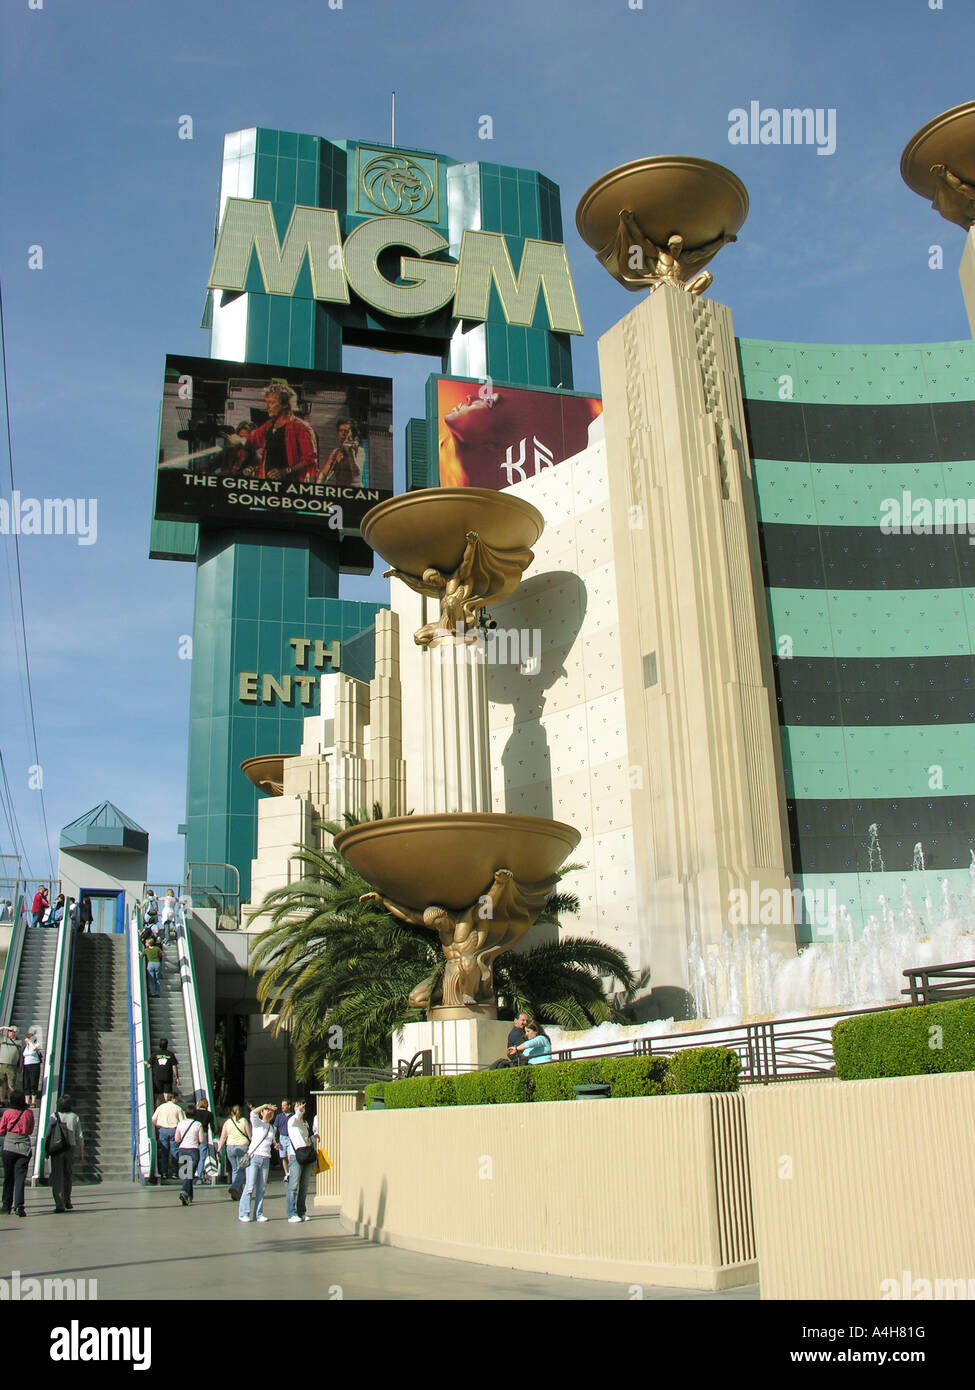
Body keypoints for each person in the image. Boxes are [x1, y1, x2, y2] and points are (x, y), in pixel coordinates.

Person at [249, 383, 318, 484]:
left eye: (271, 402)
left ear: (285, 404)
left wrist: (285, 471)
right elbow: (252, 441)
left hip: (292, 486)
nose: (267, 406)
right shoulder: (269, 425)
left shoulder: (301, 427)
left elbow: (310, 459)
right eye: (266, 402)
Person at [238, 1103, 276, 1223]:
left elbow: (272, 1141)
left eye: (271, 1111)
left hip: (266, 1158)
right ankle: (244, 1213)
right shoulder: (257, 1123)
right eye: (267, 1111)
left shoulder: (271, 1128)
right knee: (250, 1186)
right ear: (262, 1112)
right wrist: (265, 1105)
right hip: (254, 1157)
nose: (269, 1113)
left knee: (262, 1188)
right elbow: (252, 1113)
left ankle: (258, 1213)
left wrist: (276, 1145)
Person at [45, 1093, 83, 1214]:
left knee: (57, 1176)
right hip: (70, 1148)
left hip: (56, 1148)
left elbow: (47, 1134)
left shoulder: (53, 1116)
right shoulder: (74, 1117)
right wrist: (81, 1152)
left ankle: (59, 1203)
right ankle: (68, 1200)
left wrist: (45, 1150)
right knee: (68, 1174)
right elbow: (80, 1136)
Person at [0, 1091, 34, 1216]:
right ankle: (19, 1205)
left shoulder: (7, 1113)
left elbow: (1, 1130)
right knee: (20, 1178)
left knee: (8, 1178)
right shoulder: (29, 1113)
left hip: (9, 1147)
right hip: (24, 1148)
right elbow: (30, 1130)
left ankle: (6, 1205)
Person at [286, 1099, 314, 1223]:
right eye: (297, 1106)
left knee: (304, 1186)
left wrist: (313, 1138)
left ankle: (302, 1211)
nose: (301, 1107)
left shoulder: (304, 1123)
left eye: (302, 1105)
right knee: (294, 1185)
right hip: (295, 1156)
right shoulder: (292, 1121)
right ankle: (291, 1213)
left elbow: (306, 1139)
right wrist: (299, 1111)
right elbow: (296, 1117)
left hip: (306, 1154)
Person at [218, 1105, 252, 1198]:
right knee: (242, 1169)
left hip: (230, 1147)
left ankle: (237, 1193)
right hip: (242, 1147)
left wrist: (219, 1149)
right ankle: (235, 1187)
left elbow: (223, 1137)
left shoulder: (227, 1122)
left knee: (235, 1170)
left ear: (231, 1112)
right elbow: (250, 1136)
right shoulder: (244, 1121)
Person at [174, 1103, 204, 1206]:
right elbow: (201, 1139)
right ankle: (184, 1191)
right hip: (193, 1150)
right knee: (190, 1174)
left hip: (182, 1150)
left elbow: (177, 1139)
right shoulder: (198, 1124)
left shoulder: (180, 1124)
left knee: (186, 1173)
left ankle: (189, 1196)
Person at [318, 418, 363, 487]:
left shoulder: (359, 450)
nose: (343, 434)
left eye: (346, 431)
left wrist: (350, 453)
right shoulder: (336, 452)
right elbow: (324, 473)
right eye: (340, 431)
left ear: (352, 433)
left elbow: (356, 473)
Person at [151, 1092, 185, 1183]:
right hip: (174, 1130)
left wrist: (158, 1125)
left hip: (163, 1130)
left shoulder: (160, 1107)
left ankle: (164, 1173)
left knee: (164, 1152)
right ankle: (174, 1173)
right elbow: (182, 1122)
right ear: (174, 1099)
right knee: (174, 1152)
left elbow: (153, 1119)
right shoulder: (178, 1108)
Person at [144, 1038, 179, 1104]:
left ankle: (159, 1107)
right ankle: (167, 1106)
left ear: (159, 1045)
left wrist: (145, 1063)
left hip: (157, 1078)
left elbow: (149, 1066)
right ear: (167, 1045)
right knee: (167, 1094)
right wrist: (177, 1077)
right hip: (167, 1077)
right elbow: (174, 1066)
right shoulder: (170, 1054)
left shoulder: (155, 1054)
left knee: (159, 1094)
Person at [194, 1094, 216, 1183]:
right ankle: (199, 1175)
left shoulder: (195, 1113)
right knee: (202, 1156)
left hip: (195, 1133)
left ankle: (193, 1173)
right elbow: (212, 1126)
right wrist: (214, 1133)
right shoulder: (209, 1114)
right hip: (204, 1133)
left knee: (194, 1154)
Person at [21, 1031, 42, 1107]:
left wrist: (30, 1042)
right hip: (26, 1065)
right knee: (26, 1082)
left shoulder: (37, 1045)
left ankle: (33, 1101)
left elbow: (34, 1049)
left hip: (34, 1065)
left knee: (33, 1082)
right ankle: (27, 1101)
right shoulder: (25, 1047)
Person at [0, 1027, 20, 1104]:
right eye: (9, 1031)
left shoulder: (19, 1042)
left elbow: (20, 1055)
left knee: (11, 1085)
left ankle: (11, 1101)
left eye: (12, 1031)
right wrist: (5, 1027)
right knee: (1, 1084)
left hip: (12, 1066)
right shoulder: (3, 1039)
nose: (10, 1033)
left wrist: (20, 1066)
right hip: (2, 1065)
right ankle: (1, 1101)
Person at [274, 1098, 293, 1179]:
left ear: (289, 1106)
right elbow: (275, 1128)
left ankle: (292, 1173)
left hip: (290, 1137)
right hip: (282, 1137)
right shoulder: (279, 1116)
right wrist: (275, 1140)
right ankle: (287, 1173)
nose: (282, 1107)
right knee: (283, 1156)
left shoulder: (293, 1116)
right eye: (282, 1105)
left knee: (290, 1156)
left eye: (284, 1105)